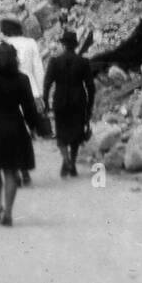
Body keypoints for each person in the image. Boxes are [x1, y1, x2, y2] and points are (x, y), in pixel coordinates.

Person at [0, 41, 45, 227]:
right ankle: (9, 212)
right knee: (11, 171)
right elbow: (29, 108)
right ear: (15, 59)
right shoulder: (22, 79)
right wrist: (35, 127)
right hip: (15, 127)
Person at [43, 29, 97, 179]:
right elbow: (91, 87)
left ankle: (66, 160)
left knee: (61, 133)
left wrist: (46, 103)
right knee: (76, 134)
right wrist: (90, 106)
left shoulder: (54, 61)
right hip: (78, 100)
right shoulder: (83, 62)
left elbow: (47, 84)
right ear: (75, 45)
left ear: (63, 45)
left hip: (60, 99)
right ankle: (71, 162)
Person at [0, 16, 46, 183]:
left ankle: (15, 169)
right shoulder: (31, 43)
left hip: (6, 93)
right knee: (25, 133)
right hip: (29, 90)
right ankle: (25, 169)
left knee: (9, 133)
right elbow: (38, 70)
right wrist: (41, 94)